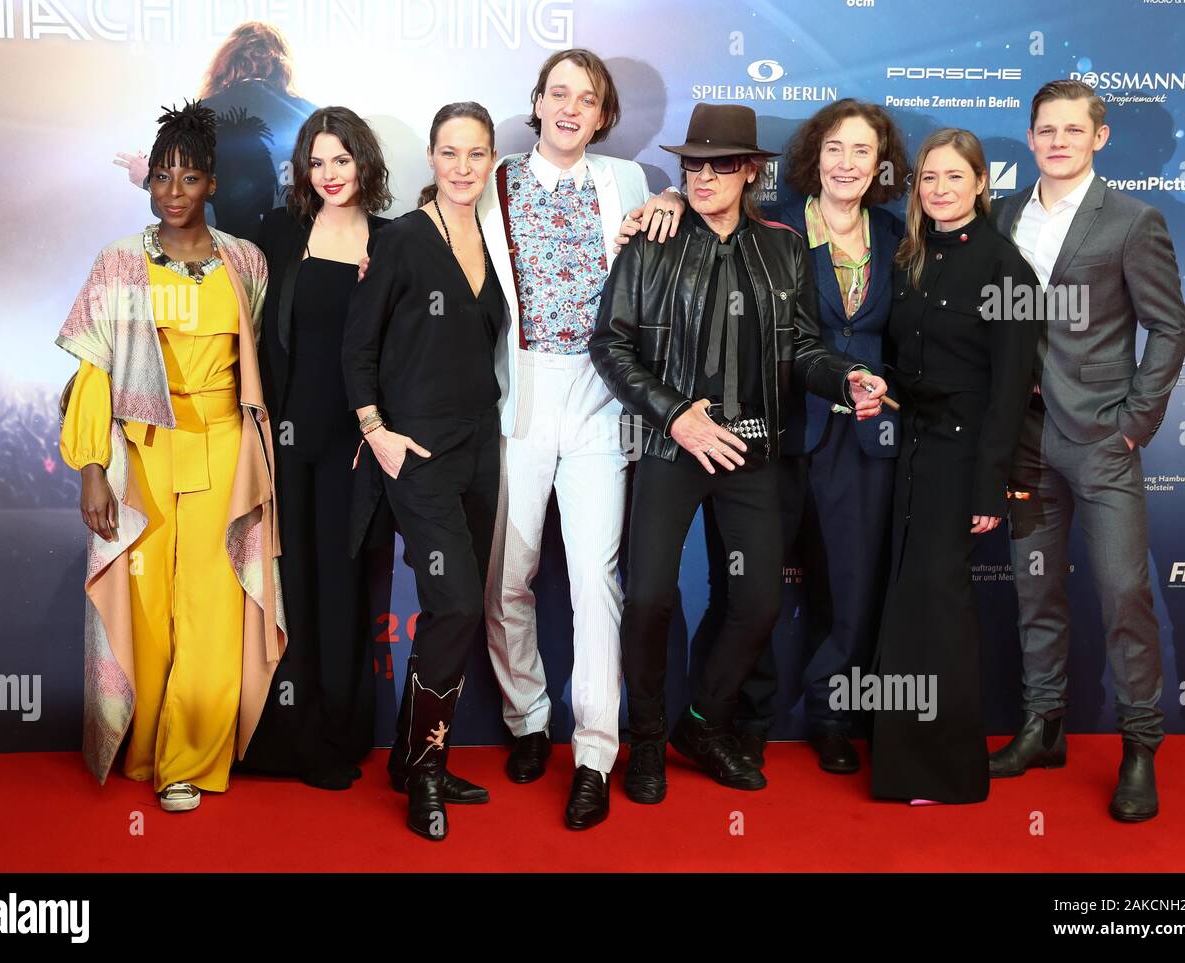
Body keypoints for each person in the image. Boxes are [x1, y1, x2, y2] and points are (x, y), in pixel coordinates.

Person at [590, 103, 886, 804]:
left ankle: (703, 721)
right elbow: (611, 344)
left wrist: (844, 375)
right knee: (651, 598)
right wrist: (675, 415)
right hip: (673, 444)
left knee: (755, 604)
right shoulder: (651, 241)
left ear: (752, 170)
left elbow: (804, 347)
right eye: (692, 163)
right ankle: (650, 739)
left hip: (753, 451)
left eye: (721, 163)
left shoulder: (785, 248)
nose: (703, 176)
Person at [56, 101, 284, 812]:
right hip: (144, 456)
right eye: (161, 177)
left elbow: (253, 365)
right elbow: (93, 371)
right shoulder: (118, 261)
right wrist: (92, 466)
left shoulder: (246, 261)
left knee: (215, 610)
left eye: (188, 177)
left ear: (211, 183)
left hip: (223, 450)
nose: (173, 191)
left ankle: (187, 759)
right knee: (148, 609)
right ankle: (148, 749)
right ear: (148, 184)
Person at [479, 48, 685, 831]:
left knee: (597, 578)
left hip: (602, 393)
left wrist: (668, 196)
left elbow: (685, 215)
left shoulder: (626, 181)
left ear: (603, 115)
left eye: (587, 98)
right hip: (520, 392)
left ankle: (594, 752)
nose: (570, 107)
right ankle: (528, 717)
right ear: (537, 102)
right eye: (558, 93)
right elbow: (441, 235)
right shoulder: (494, 180)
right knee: (511, 573)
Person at [988, 80, 1185, 822]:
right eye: (1046, 130)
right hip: (1026, 439)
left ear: (1098, 138)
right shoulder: (1005, 215)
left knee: (1122, 592)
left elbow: (1169, 327)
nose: (1059, 141)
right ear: (1032, 137)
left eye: (1074, 129)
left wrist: (1135, 421)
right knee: (1035, 590)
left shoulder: (1134, 221)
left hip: (1102, 438)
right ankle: (1044, 728)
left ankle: (1140, 745)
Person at [698, 99, 909, 774]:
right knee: (753, 585)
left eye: (862, 152)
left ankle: (831, 716)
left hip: (866, 435)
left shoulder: (899, 235)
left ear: (880, 166)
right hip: (776, 430)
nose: (847, 164)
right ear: (814, 156)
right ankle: (750, 717)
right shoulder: (775, 227)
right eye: (836, 149)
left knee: (849, 586)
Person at [343, 102, 503, 841]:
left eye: (476, 153)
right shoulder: (401, 240)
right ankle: (427, 772)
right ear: (432, 160)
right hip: (416, 455)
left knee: (450, 609)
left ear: (492, 158)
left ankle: (413, 757)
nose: (463, 167)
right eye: (449, 152)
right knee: (460, 602)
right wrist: (376, 432)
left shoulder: (500, 238)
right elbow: (357, 347)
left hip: (482, 449)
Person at [869, 128, 1040, 805]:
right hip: (911, 449)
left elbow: (1011, 388)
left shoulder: (1008, 267)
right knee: (912, 605)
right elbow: (903, 361)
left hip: (963, 458)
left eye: (953, 177)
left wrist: (988, 484)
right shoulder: (912, 255)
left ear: (980, 184)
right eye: (928, 178)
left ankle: (946, 772)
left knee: (939, 609)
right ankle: (908, 761)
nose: (939, 189)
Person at [238, 107, 393, 791]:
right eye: (317, 162)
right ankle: (288, 738)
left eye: (341, 160)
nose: (329, 174)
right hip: (288, 439)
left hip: (357, 447)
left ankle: (339, 729)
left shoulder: (393, 241)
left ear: (363, 162)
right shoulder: (278, 230)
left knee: (343, 587)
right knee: (291, 585)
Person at [115, 21, 319, 243]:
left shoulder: (196, 116)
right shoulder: (311, 115)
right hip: (295, 260)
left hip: (222, 259)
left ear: (227, 61)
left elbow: (180, 204)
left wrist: (148, 179)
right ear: (282, 65)